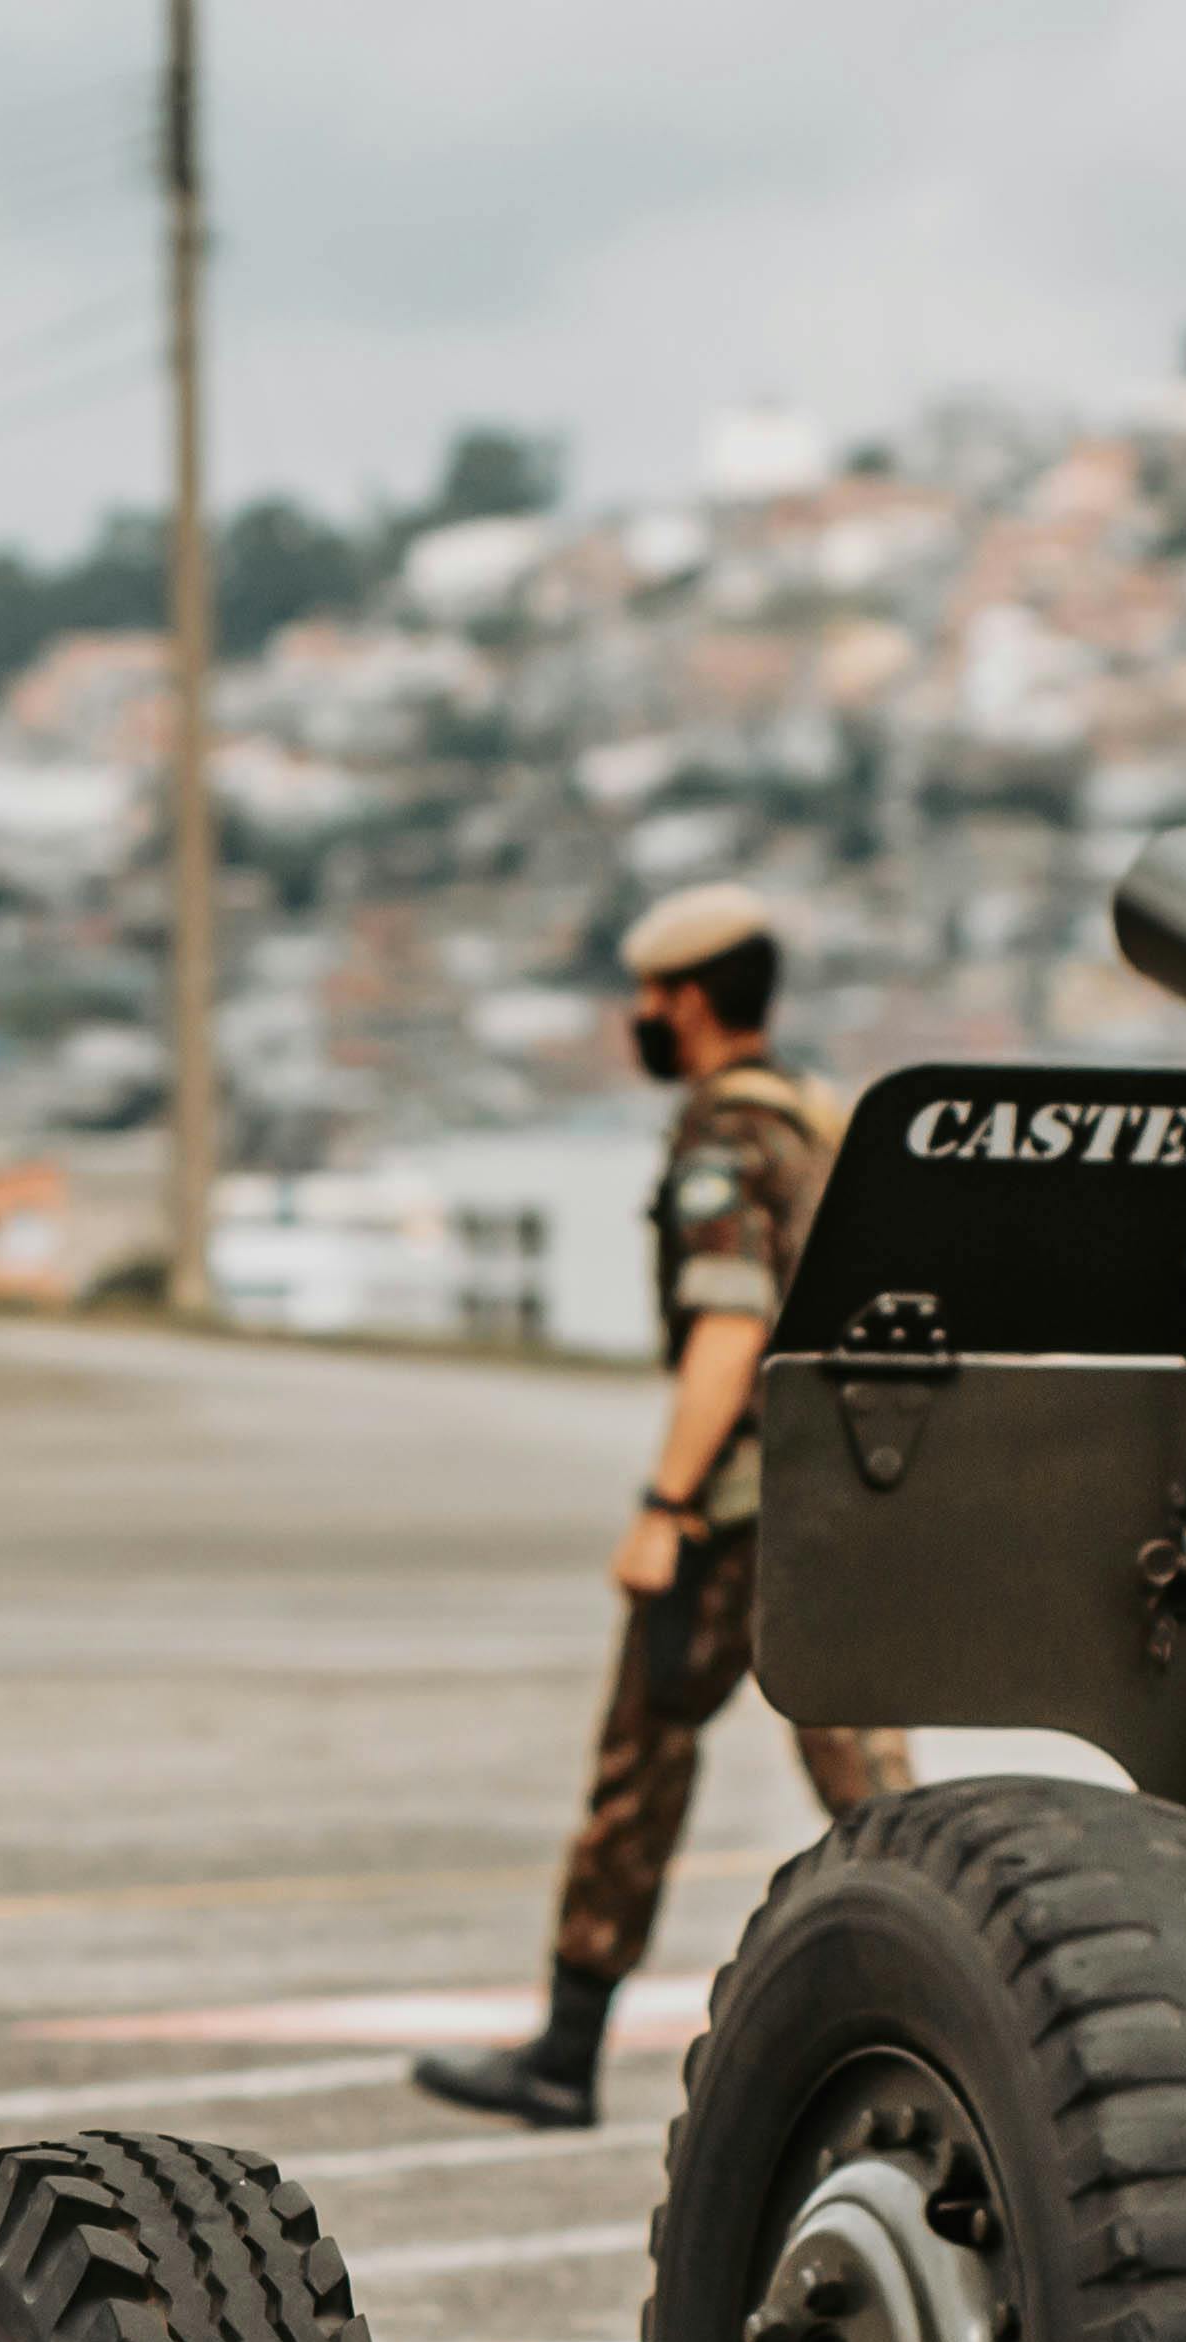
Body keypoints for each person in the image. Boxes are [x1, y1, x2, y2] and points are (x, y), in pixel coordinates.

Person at [412, 883, 910, 2129]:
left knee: (643, 1758)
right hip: (832, 1491)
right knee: (868, 1772)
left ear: (687, 1002)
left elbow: (729, 1329)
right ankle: (958, 1984)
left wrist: (661, 1503)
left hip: (739, 1504)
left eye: (646, 997)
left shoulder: (723, 1137)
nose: (636, 1017)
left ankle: (565, 2051)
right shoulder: (813, 1118)